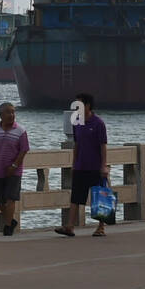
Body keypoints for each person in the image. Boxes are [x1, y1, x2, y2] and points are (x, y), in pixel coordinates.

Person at [55, 92, 109, 237]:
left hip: (95, 166)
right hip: (80, 166)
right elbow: (76, 144)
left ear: (88, 105)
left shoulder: (98, 123)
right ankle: (70, 226)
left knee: (99, 198)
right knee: (76, 197)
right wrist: (74, 163)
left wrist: (104, 166)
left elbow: (103, 146)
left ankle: (101, 227)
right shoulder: (77, 122)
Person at [0, 102, 29, 236]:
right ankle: (11, 221)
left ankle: (8, 227)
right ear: (1, 115)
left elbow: (23, 151)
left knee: (10, 198)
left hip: (14, 172)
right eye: (8, 112)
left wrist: (15, 165)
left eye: (13, 112)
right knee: (0, 201)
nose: (11, 115)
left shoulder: (21, 131)